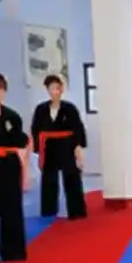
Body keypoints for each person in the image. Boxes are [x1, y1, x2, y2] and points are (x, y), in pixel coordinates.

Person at [30, 74, 88, 220]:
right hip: (49, 147)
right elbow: (35, 128)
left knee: (71, 178)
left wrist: (78, 147)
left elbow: (78, 128)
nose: (53, 92)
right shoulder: (41, 109)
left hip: (67, 146)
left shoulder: (69, 109)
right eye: (50, 89)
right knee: (49, 179)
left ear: (61, 89)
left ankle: (77, 211)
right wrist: (38, 148)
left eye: (56, 88)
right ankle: (48, 211)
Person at [0, 74, 32, 262]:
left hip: (8, 166)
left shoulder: (12, 117)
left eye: (0, 90)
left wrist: (26, 174)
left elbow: (22, 146)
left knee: (11, 208)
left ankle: (13, 251)